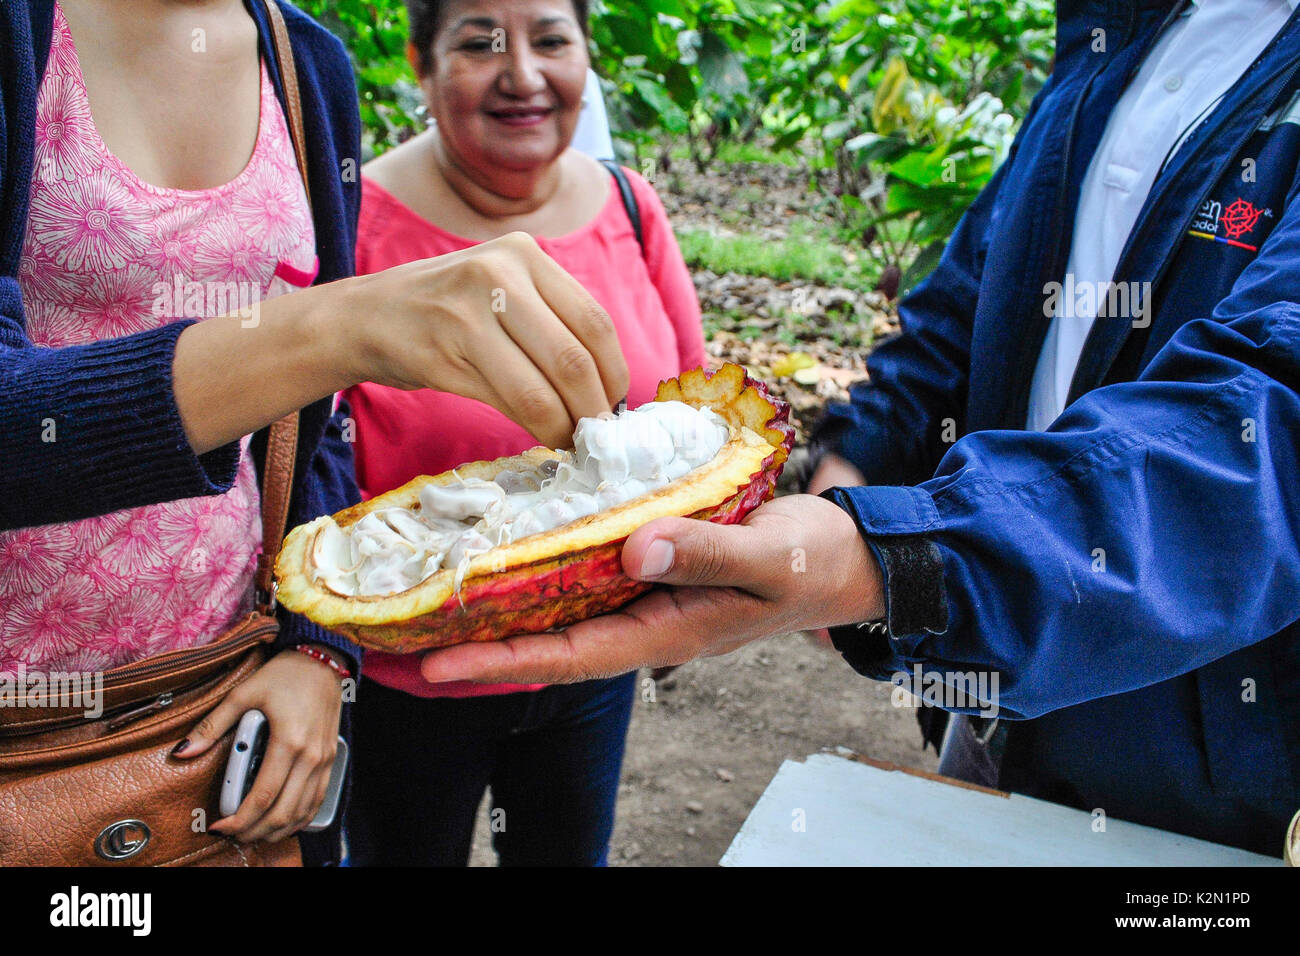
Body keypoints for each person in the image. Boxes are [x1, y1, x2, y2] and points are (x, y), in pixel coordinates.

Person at [419, 0, 1300, 857]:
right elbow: (972, 298)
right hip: (995, 706)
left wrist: (893, 560)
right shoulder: (1119, 35)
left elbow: (1265, 429)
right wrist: (858, 454)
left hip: (1212, 784)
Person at [0, 0, 627, 864]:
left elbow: (309, 429)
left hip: (220, 699)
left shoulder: (305, 66)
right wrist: (333, 331)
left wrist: (316, 647)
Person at [342, 0, 705, 867]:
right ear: (421, 63)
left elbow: (694, 419)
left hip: (591, 667)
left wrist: (685, 584)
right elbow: (299, 456)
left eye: (551, 40)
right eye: (480, 44)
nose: (525, 75)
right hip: (409, 678)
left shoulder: (630, 204)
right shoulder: (351, 220)